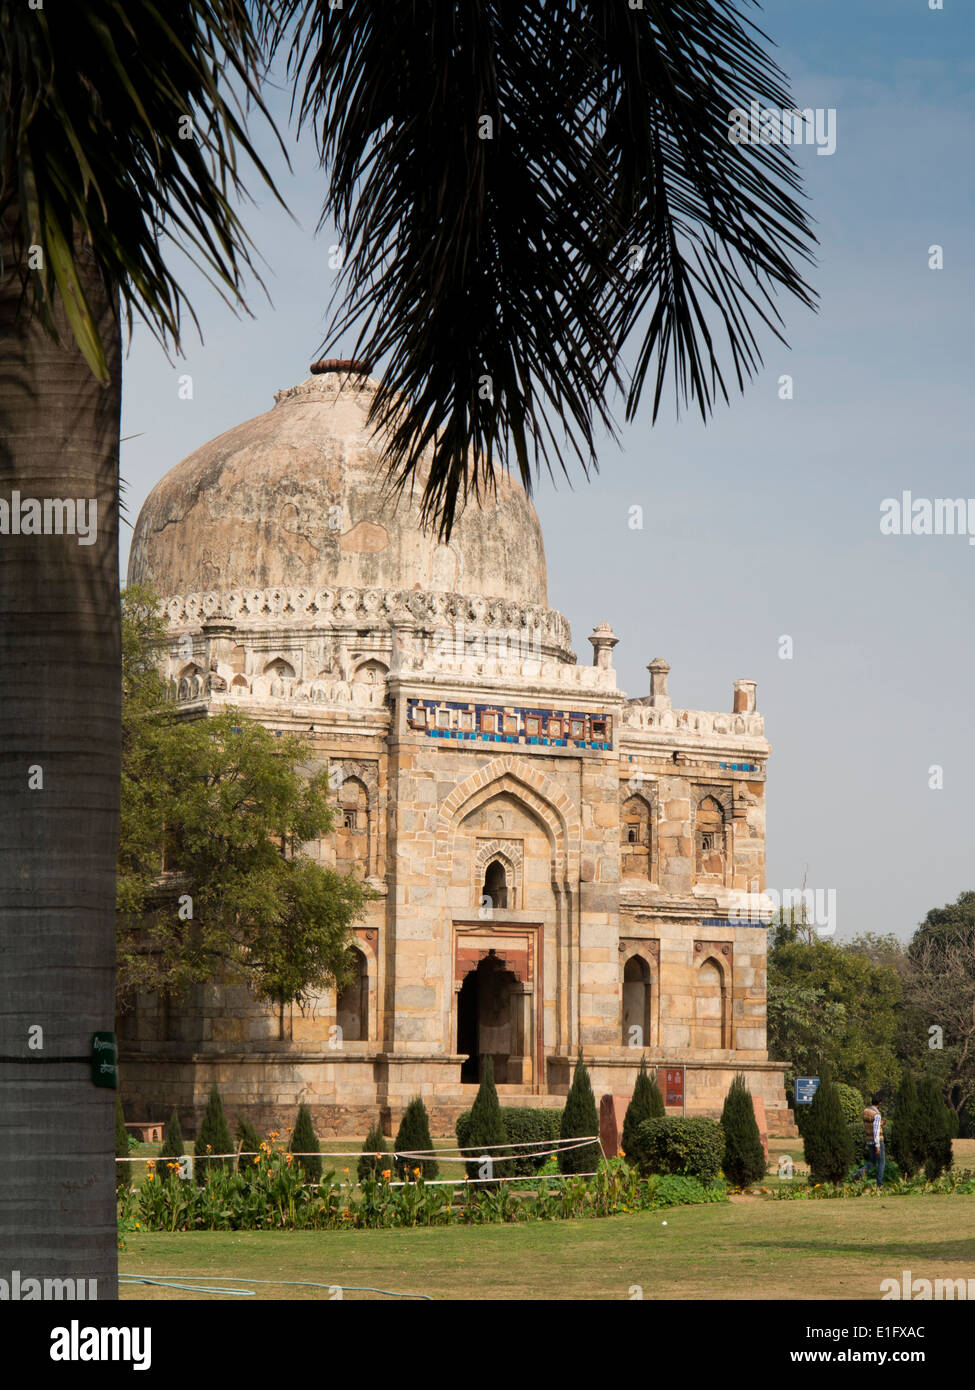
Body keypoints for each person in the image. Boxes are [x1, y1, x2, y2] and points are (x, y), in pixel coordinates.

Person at [852, 1098, 885, 1187]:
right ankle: (879, 1185)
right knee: (881, 1163)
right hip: (877, 1141)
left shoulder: (865, 1111)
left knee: (871, 1162)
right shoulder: (877, 1114)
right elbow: (876, 1130)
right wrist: (877, 1145)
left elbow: (869, 1125)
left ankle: (858, 1174)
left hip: (869, 1140)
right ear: (880, 1102)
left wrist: (879, 1124)